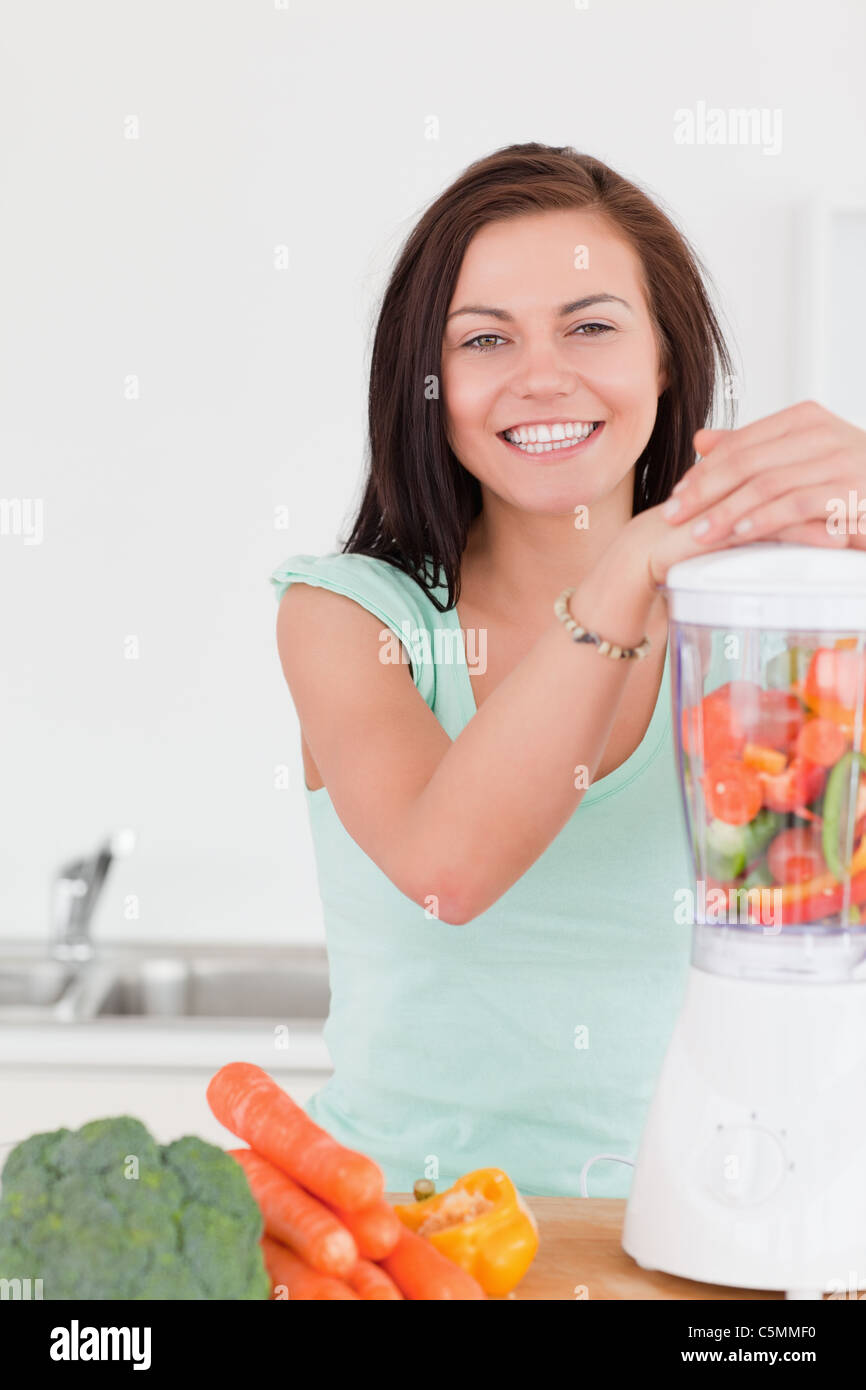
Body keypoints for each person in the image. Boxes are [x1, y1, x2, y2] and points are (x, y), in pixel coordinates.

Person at [270, 143, 866, 1198]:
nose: (541, 376)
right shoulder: (351, 615)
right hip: (407, 1235)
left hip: (708, 1225)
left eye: (589, 326)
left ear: (663, 359)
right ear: (429, 382)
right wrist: (636, 559)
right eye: (484, 339)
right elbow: (448, 872)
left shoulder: (766, 618)